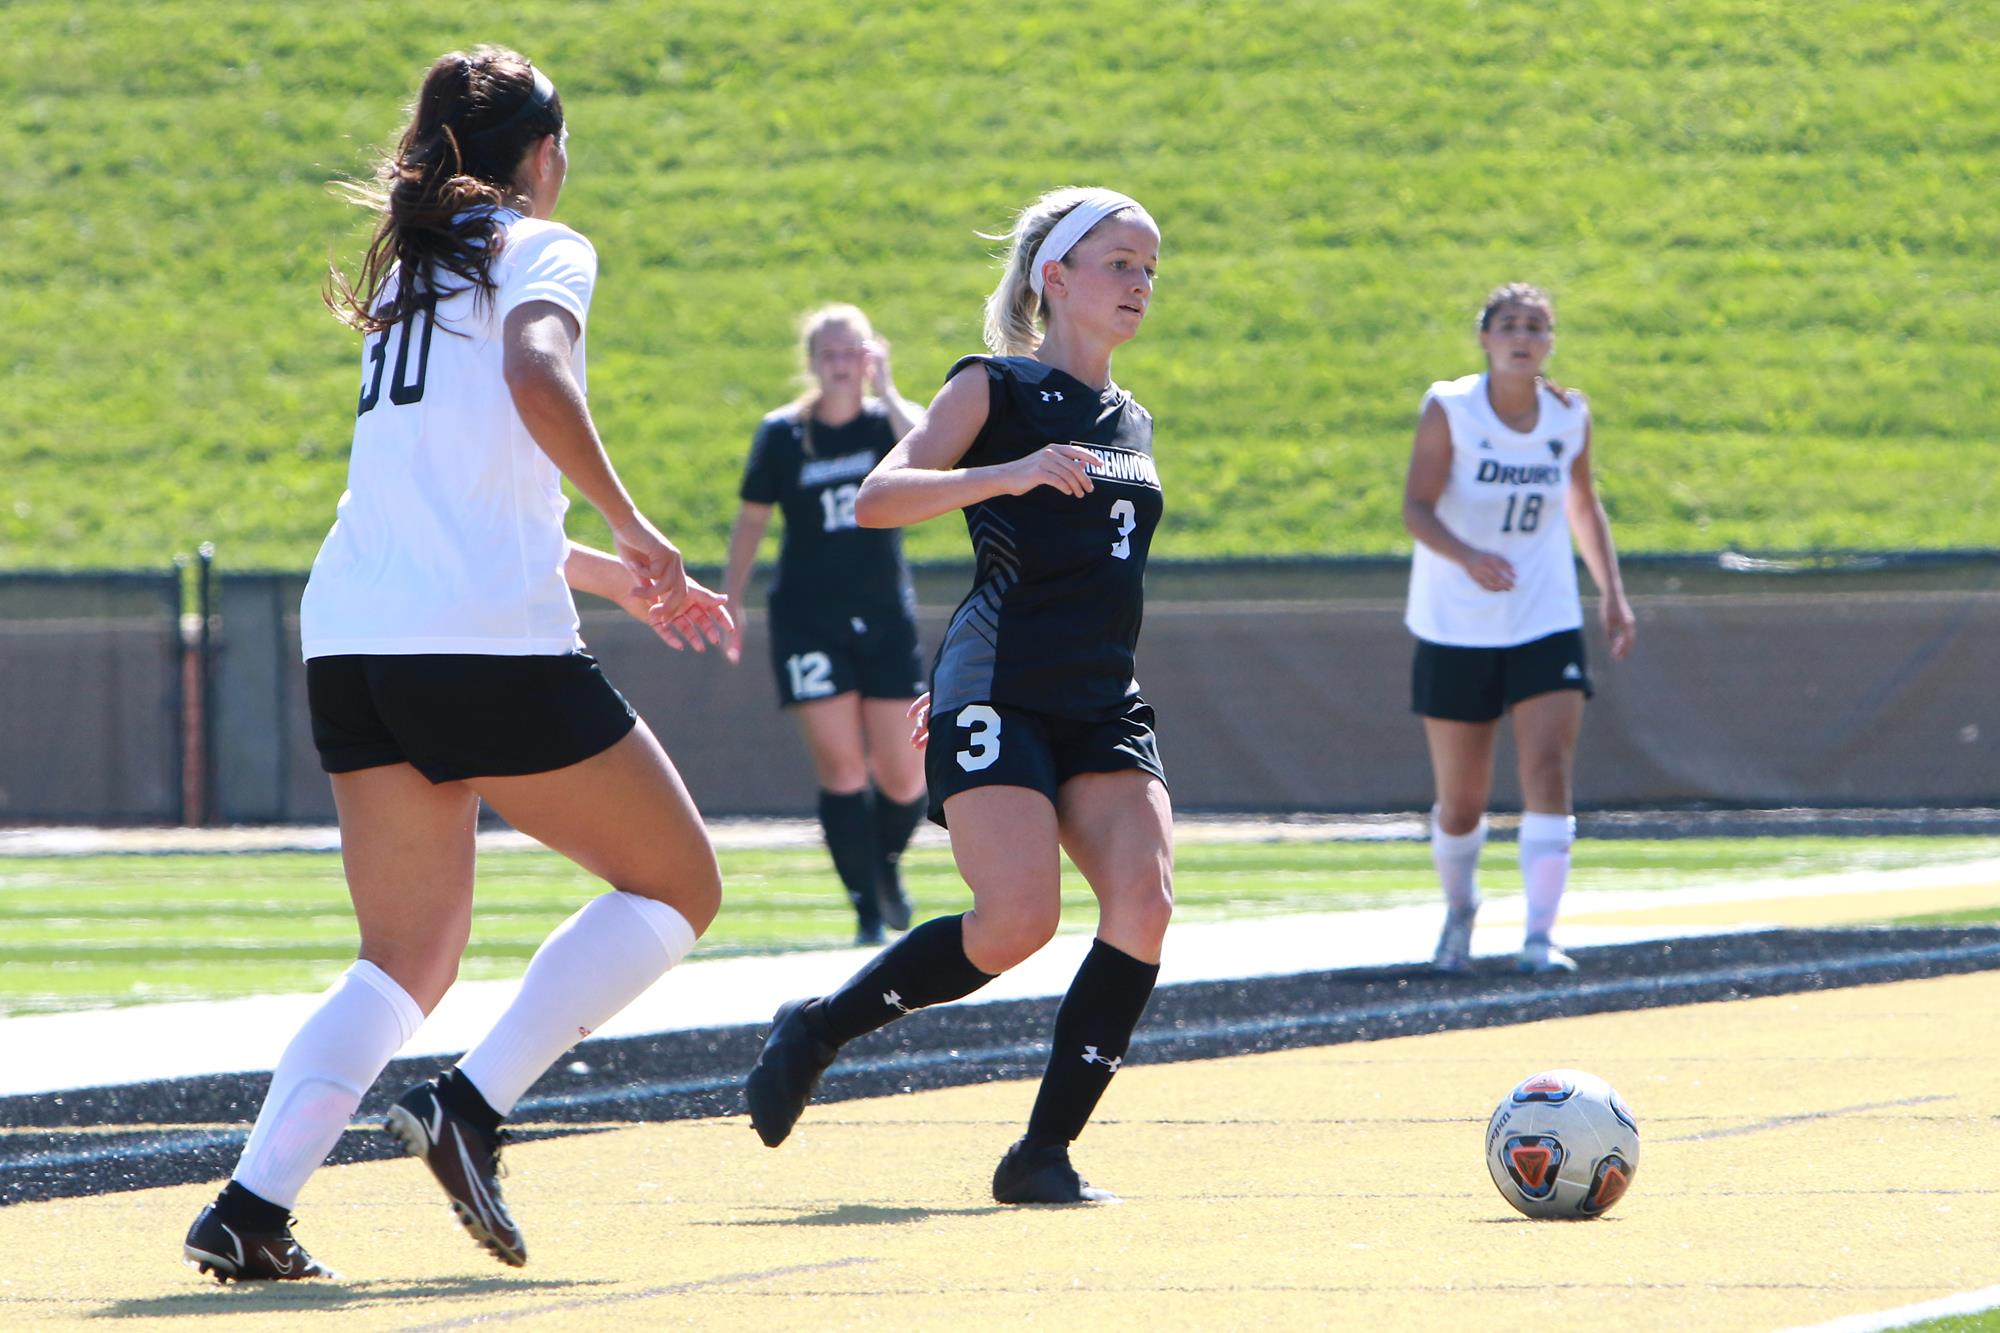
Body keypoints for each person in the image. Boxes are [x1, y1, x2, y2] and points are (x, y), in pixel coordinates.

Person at [181, 48, 731, 1282]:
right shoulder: (542, 246)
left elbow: (460, 498)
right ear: (541, 154)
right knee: (676, 885)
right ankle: (469, 1109)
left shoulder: (409, 276)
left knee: (405, 957)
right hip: (476, 643)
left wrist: (616, 575)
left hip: (356, 643)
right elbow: (537, 372)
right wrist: (640, 528)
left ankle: (250, 1207)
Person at [743, 188, 1171, 1205]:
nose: (1140, 284)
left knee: (1145, 904)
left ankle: (1040, 1154)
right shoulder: (992, 386)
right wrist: (1010, 471)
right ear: (1054, 276)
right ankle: (820, 1027)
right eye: (1120, 263)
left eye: (1150, 269)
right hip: (1000, 685)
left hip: (1102, 695)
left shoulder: (1133, 418)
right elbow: (877, 497)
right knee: (1017, 920)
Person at [1401, 282, 1636, 976]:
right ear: (1485, 338)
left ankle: (1539, 935)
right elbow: (1416, 507)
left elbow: (1583, 505)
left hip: (1543, 614)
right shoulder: (1451, 408)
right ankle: (1461, 911)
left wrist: (1612, 593)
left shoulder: (1568, 414)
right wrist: (1468, 557)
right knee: (1462, 801)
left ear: (1550, 341)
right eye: (1508, 325)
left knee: (1548, 769)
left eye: (1535, 326)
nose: (1522, 337)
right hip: (1456, 620)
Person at [721, 306, 930, 945]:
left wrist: (887, 388)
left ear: (871, 354)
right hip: (809, 619)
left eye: (852, 352)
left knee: (905, 776)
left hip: (884, 615)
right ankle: (865, 904)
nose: (841, 365)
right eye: (830, 354)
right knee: (843, 771)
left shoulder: (885, 423)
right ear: (812, 362)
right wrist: (732, 598)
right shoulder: (784, 434)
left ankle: (884, 864)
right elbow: (752, 520)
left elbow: (933, 457)